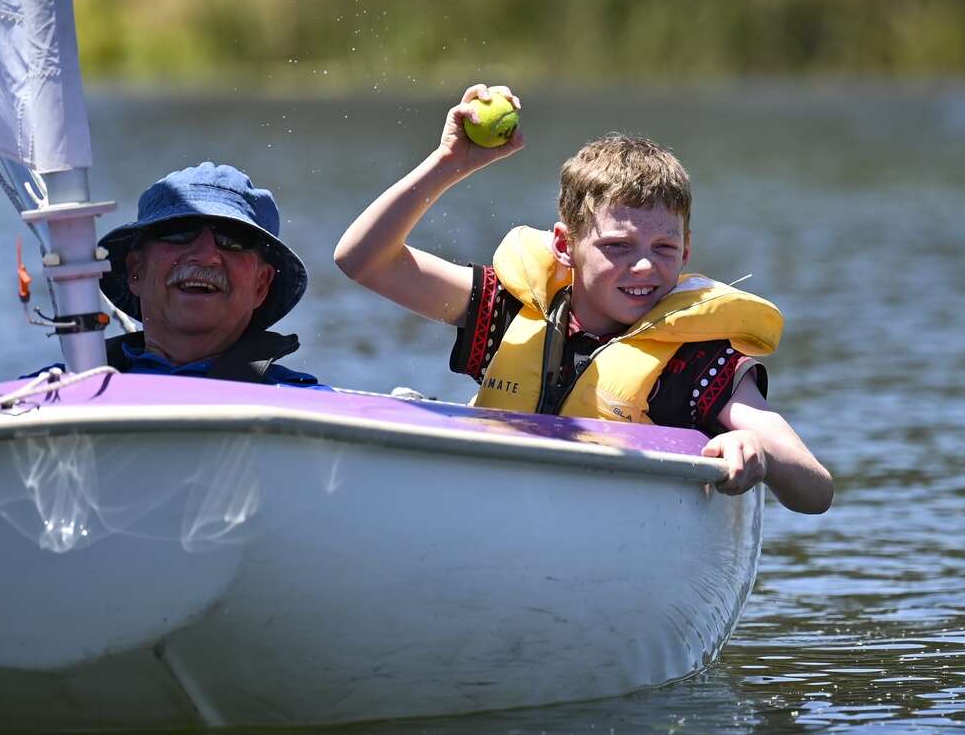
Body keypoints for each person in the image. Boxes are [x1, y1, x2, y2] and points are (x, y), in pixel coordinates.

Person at [334, 85, 831, 513]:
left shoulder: (697, 361)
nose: (644, 267)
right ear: (564, 246)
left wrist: (754, 451)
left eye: (664, 248)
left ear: (686, 251)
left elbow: (815, 489)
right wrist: (449, 164)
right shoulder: (509, 312)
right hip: (494, 521)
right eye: (616, 247)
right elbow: (362, 260)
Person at [95, 162, 318, 385]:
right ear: (136, 270)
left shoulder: (310, 410)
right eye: (179, 230)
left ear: (261, 286)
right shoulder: (66, 388)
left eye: (233, 238)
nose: (206, 255)